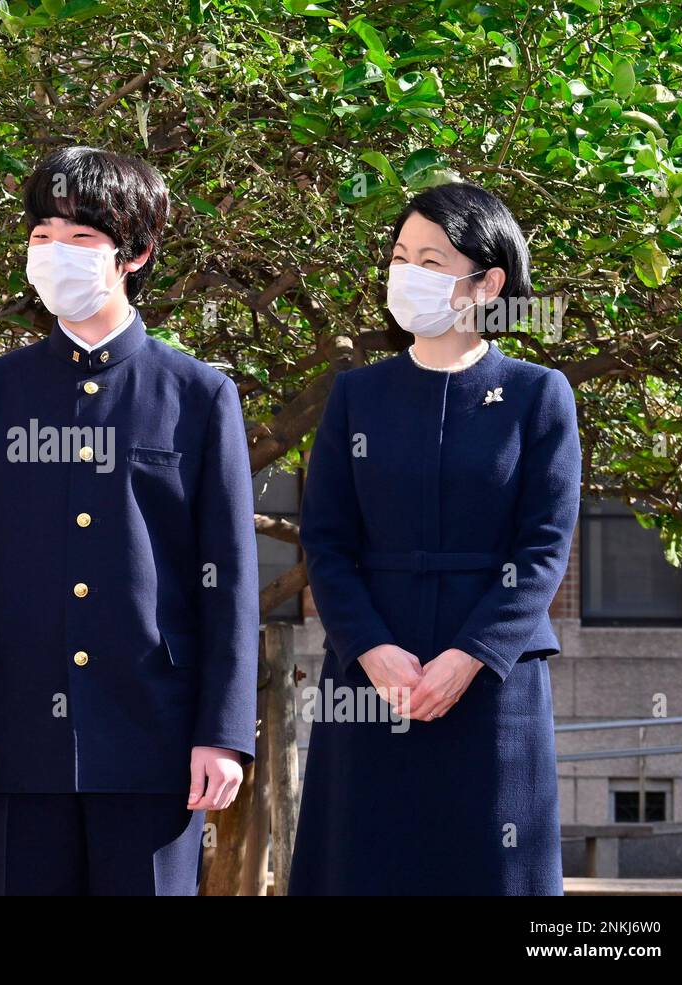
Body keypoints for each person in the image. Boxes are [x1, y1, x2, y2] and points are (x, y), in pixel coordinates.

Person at [0, 145, 260, 896]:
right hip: (14, 738)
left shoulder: (199, 395)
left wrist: (224, 732)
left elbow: (230, 581)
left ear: (135, 252)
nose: (53, 254)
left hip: (156, 737)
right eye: (41, 234)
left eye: (79, 238)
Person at [289, 182, 580, 895]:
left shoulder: (538, 394)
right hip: (373, 679)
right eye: (399, 256)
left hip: (493, 685)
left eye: (432, 259)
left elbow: (544, 547)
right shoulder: (355, 394)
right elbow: (325, 539)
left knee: (491, 866)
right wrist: (370, 647)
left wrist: (472, 654)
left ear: (490, 282)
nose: (407, 273)